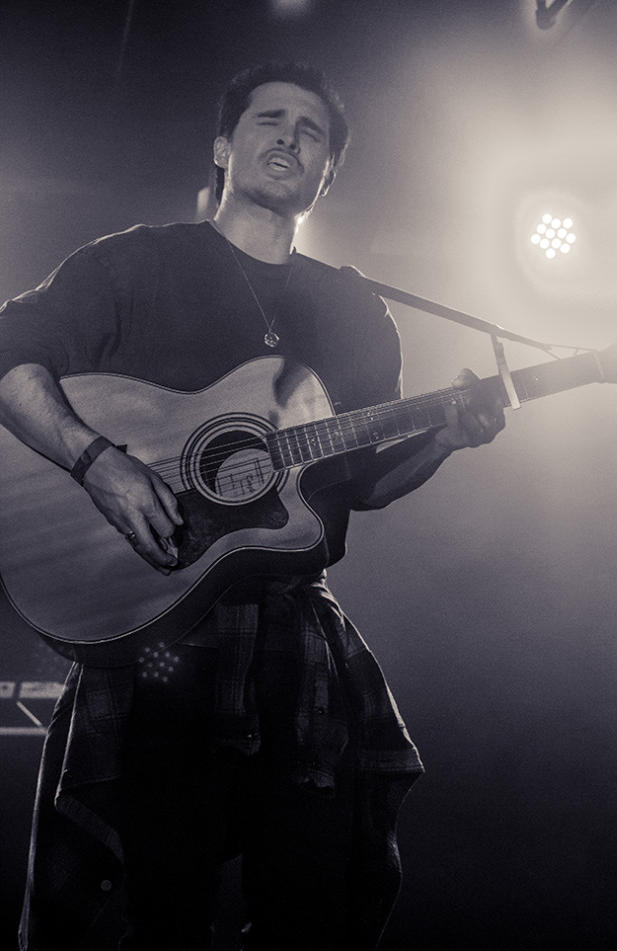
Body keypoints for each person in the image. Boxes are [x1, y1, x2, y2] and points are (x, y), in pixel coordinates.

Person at [0, 63, 505, 951]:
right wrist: (99, 464)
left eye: (312, 132)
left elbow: (360, 485)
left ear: (327, 175)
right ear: (226, 146)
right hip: (155, 634)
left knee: (312, 907)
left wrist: (444, 436)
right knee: (157, 908)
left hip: (291, 639)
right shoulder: (133, 262)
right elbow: (12, 362)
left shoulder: (355, 312)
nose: (289, 136)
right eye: (270, 119)